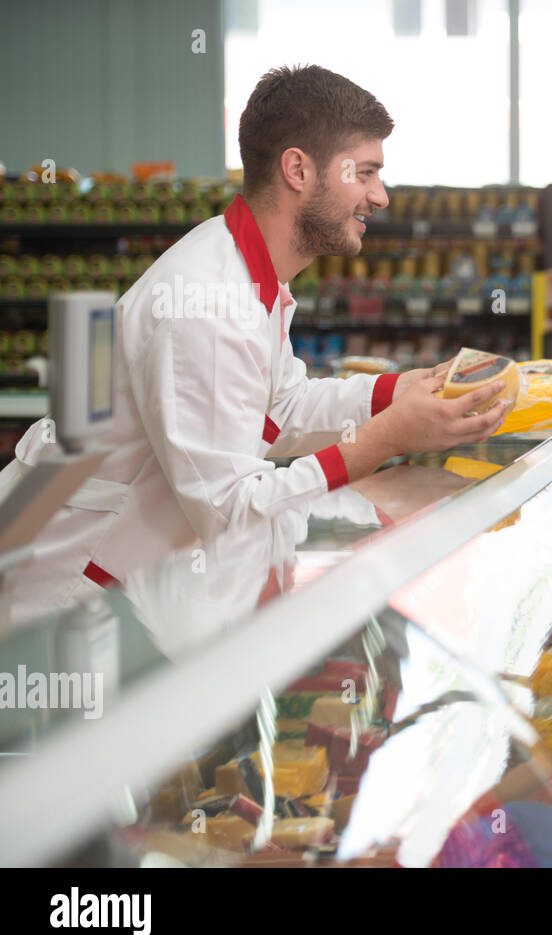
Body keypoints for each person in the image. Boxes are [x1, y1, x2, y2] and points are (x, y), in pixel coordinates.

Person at [0, 65, 509, 626]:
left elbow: (280, 407)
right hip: (47, 597)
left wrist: (399, 391)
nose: (380, 196)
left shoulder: (248, 270)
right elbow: (232, 510)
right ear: (298, 169)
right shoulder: (208, 303)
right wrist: (385, 438)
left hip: (111, 578)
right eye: (365, 172)